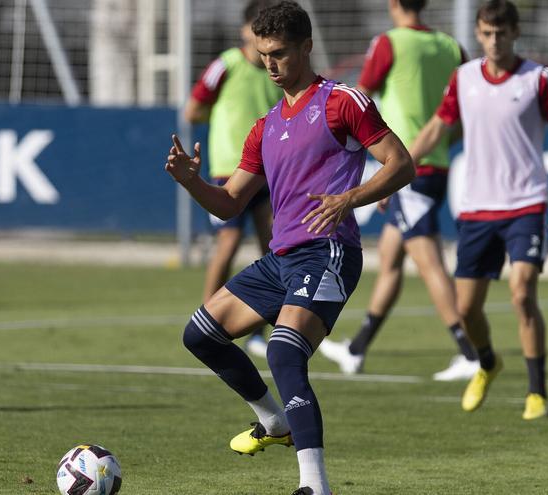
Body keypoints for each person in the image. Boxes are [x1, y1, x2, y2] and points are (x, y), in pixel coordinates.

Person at [165, 2, 415, 492]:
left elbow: (400, 163)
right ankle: (273, 420)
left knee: (283, 352)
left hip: (328, 252)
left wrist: (350, 198)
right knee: (200, 336)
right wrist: (192, 182)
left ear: (306, 46)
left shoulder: (343, 102)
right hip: (280, 259)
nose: (270, 64)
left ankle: (314, 485)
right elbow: (229, 204)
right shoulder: (265, 126)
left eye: (279, 53)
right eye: (263, 55)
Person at [407, 0, 548, 420]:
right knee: (466, 310)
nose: (494, 40)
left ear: (515, 32)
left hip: (526, 204)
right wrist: (399, 170)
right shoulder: (464, 78)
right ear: (478, 34)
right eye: (486, 33)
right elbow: (436, 127)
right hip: (478, 208)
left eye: (501, 32)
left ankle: (537, 392)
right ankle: (487, 362)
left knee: (522, 292)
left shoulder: (539, 78)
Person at [318, 0, 479, 381]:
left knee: (429, 262)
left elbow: (356, 102)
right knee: (390, 259)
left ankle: (470, 352)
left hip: (404, 167)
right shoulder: (451, 46)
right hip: (434, 164)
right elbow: (466, 111)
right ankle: (357, 349)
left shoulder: (388, 43)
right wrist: (441, 145)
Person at [184, 0, 283, 359]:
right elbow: (193, 110)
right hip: (230, 170)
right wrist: (223, 122)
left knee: (273, 249)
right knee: (227, 243)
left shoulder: (278, 71)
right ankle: (206, 322)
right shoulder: (225, 65)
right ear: (245, 31)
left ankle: (262, 330)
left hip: (267, 171)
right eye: (258, 29)